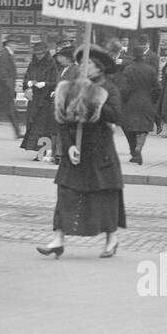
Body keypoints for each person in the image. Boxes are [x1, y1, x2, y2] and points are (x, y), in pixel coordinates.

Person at [39, 45, 125, 260]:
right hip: (76, 151)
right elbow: (62, 122)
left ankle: (111, 239)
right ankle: (58, 239)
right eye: (82, 64)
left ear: (99, 68)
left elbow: (115, 115)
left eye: (89, 64)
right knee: (66, 193)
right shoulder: (69, 88)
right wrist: (69, 146)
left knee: (104, 196)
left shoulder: (110, 88)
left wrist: (93, 97)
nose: (83, 67)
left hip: (99, 151)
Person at [117, 42, 159, 165]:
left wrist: (123, 100)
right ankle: (138, 148)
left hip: (130, 102)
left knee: (128, 127)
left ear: (133, 56)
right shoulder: (150, 70)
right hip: (146, 101)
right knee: (143, 128)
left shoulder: (128, 69)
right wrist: (153, 100)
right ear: (143, 56)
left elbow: (124, 88)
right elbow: (157, 88)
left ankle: (133, 150)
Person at [20, 40, 58, 159]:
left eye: (41, 54)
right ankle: (39, 150)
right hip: (34, 99)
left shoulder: (52, 65)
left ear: (45, 53)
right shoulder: (33, 64)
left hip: (45, 100)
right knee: (33, 125)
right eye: (36, 54)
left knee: (44, 127)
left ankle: (43, 151)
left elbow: (55, 82)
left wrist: (45, 84)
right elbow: (25, 79)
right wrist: (29, 83)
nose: (38, 56)